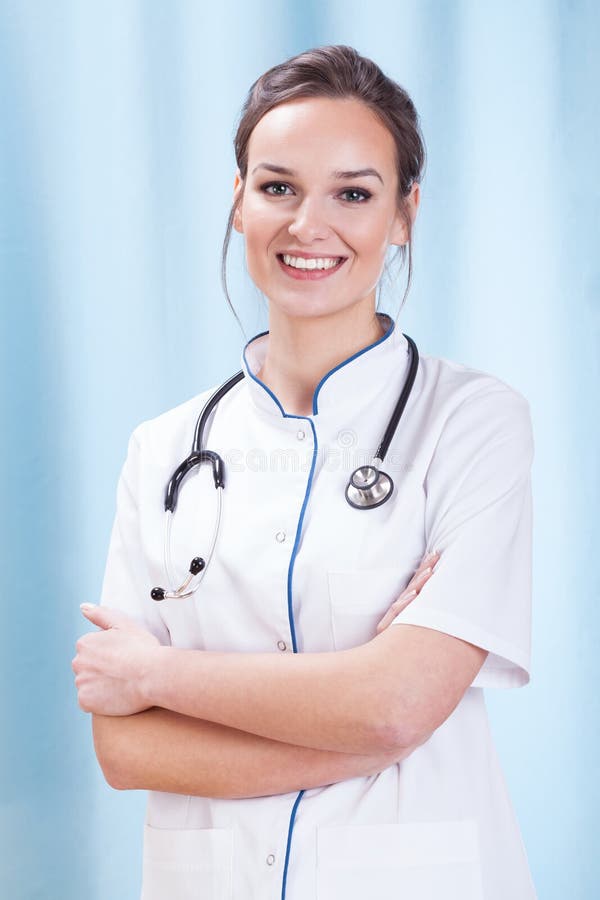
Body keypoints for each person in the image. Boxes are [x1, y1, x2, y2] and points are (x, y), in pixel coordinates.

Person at [72, 44, 537, 900]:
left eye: (354, 194)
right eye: (277, 186)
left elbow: (397, 702)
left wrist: (158, 677)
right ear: (239, 202)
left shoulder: (470, 423)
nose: (307, 226)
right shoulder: (164, 449)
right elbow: (125, 750)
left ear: (405, 214)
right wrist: (373, 728)